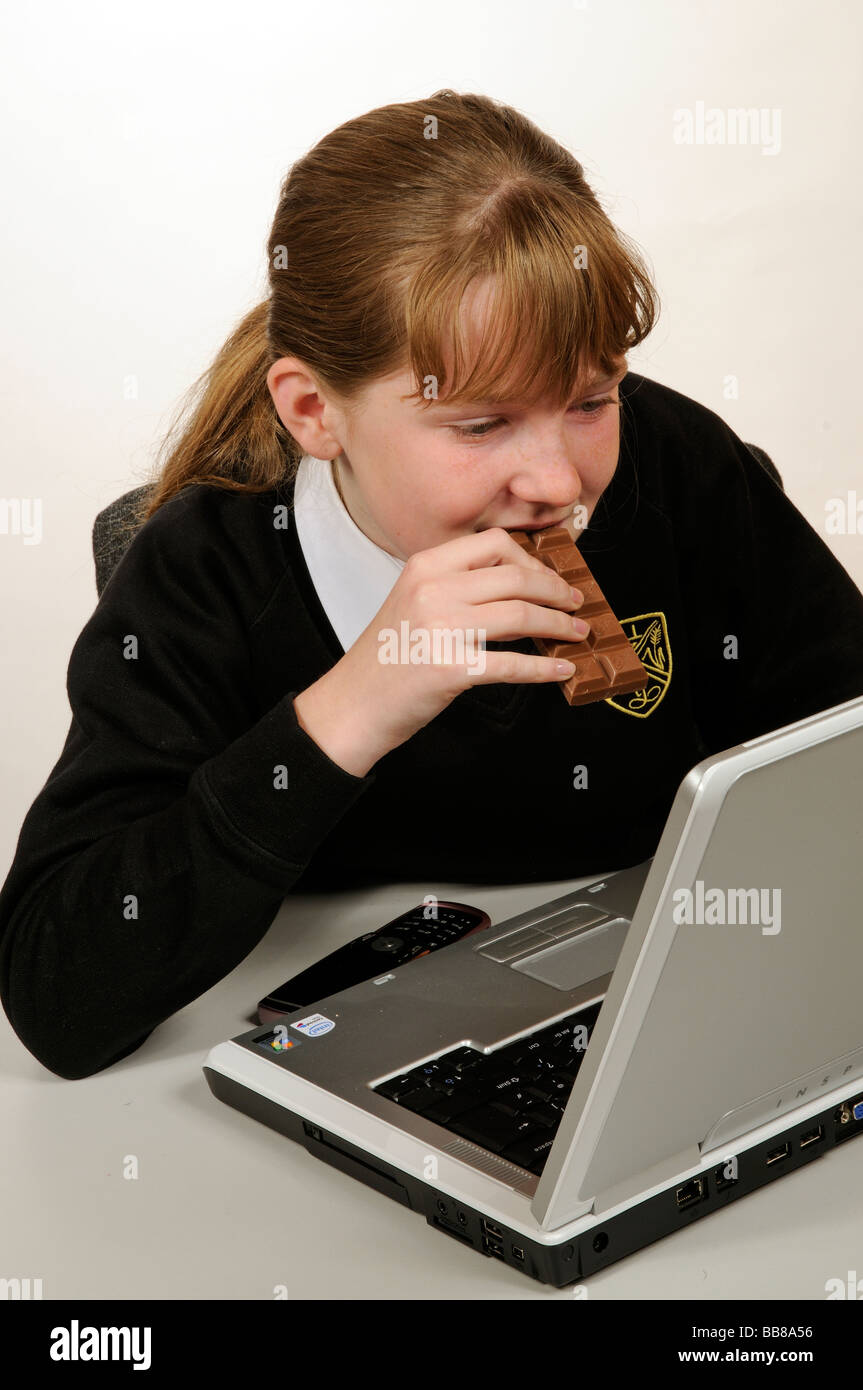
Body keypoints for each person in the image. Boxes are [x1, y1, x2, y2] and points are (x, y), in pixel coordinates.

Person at [2, 90, 863, 1082]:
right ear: (314, 409)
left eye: (589, 400)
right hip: (345, 1047)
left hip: (655, 1013)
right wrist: (346, 709)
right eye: (479, 426)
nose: (556, 483)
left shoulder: (680, 475)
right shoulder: (205, 570)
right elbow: (56, 997)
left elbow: (837, 758)